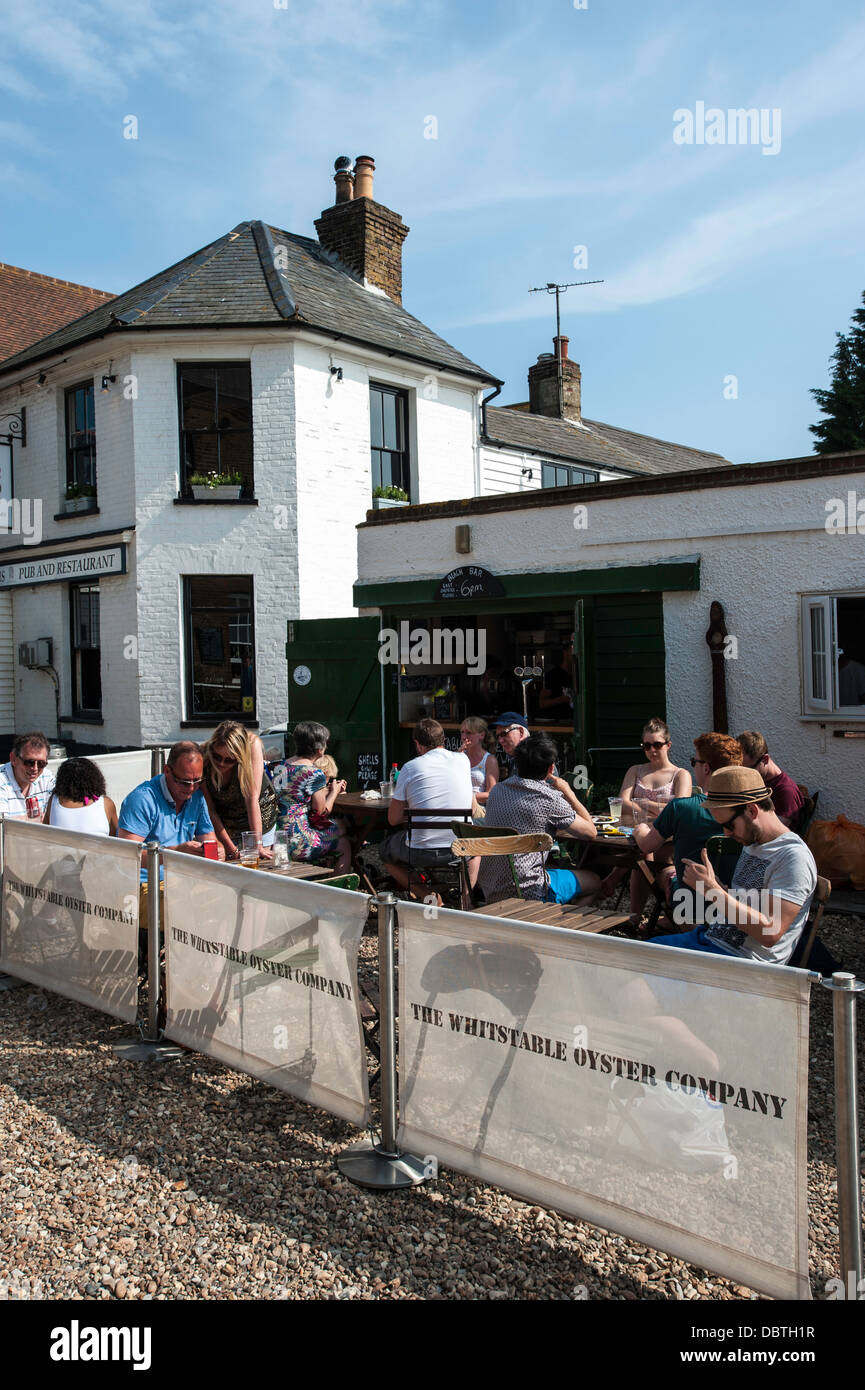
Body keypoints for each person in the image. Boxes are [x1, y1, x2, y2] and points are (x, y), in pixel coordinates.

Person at [650, 766, 817, 965]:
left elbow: (770, 932)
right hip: (711, 940)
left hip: (742, 963)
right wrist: (718, 887)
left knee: (642, 965)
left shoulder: (792, 857)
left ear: (752, 810)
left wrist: (713, 891)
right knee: (637, 953)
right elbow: (747, 902)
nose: (726, 833)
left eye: (729, 825)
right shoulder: (754, 843)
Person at [631, 732, 743, 928]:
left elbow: (648, 845)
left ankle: (639, 918)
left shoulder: (681, 807)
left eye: (694, 761)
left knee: (659, 866)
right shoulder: (747, 811)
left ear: (706, 768)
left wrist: (639, 829)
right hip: (738, 906)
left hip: (691, 908)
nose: (693, 767)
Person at [478, 733, 600, 905]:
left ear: (517, 763)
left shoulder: (497, 791)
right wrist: (569, 793)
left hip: (491, 888)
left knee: (550, 870)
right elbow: (591, 832)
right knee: (594, 881)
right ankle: (559, 928)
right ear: (551, 769)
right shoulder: (549, 798)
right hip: (530, 892)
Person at [600, 718, 691, 929]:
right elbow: (622, 802)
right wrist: (658, 807)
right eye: (646, 745)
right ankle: (634, 915)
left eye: (657, 744)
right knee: (641, 852)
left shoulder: (681, 774)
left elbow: (679, 809)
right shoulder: (636, 770)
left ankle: (619, 888)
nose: (651, 750)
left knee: (641, 855)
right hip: (636, 833)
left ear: (668, 745)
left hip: (667, 841)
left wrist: (641, 803)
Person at [381, 718, 473, 894]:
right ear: (443, 740)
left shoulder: (410, 767)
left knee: (385, 851)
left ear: (418, 744)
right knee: (475, 856)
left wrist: (415, 813)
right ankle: (466, 900)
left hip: (419, 851)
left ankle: (427, 896)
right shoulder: (463, 760)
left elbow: (393, 820)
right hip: (460, 847)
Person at [119, 741, 218, 879]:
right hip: (145, 885)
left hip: (181, 880)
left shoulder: (197, 796)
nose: (191, 788)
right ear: (167, 771)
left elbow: (209, 839)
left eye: (197, 781)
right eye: (184, 782)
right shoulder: (142, 799)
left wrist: (217, 850)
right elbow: (127, 855)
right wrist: (175, 852)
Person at [272, 721, 350, 871]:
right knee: (344, 840)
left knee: (338, 829)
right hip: (298, 842)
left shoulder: (281, 766)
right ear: (320, 749)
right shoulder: (314, 773)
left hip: (278, 839)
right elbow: (321, 812)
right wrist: (333, 792)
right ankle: (340, 888)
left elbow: (291, 796)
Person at [202, 721, 279, 862]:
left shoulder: (252, 745)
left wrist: (258, 845)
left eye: (229, 760)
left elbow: (252, 798)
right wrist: (230, 847)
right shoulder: (204, 758)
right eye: (217, 757)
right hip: (226, 817)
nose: (221, 763)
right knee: (230, 860)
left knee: (256, 861)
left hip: (259, 812)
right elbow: (210, 810)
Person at [737, 730, 804, 830]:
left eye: (749, 770)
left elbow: (775, 831)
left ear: (765, 759)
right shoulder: (757, 781)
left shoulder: (786, 792)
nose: (745, 775)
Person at [43, 758, 117, 836]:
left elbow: (46, 832)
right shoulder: (106, 804)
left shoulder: (54, 801)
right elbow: (116, 836)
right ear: (95, 779)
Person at [0, 732, 55, 818]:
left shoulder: (46, 777)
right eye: (29, 762)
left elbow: (76, 799)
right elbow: (2, 825)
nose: (35, 768)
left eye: (41, 763)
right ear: (13, 759)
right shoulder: (1, 780)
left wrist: (85, 800)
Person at [459, 716, 499, 808]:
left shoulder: (489, 760)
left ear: (482, 735)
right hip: (458, 806)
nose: (464, 737)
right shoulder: (458, 756)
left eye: (469, 733)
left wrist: (467, 798)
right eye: (462, 732)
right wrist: (457, 757)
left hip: (479, 809)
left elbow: (491, 794)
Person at [538, 638, 575, 718]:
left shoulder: (580, 674)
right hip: (559, 721)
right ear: (565, 653)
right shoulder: (553, 675)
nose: (575, 655)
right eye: (572, 651)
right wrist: (562, 699)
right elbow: (542, 703)